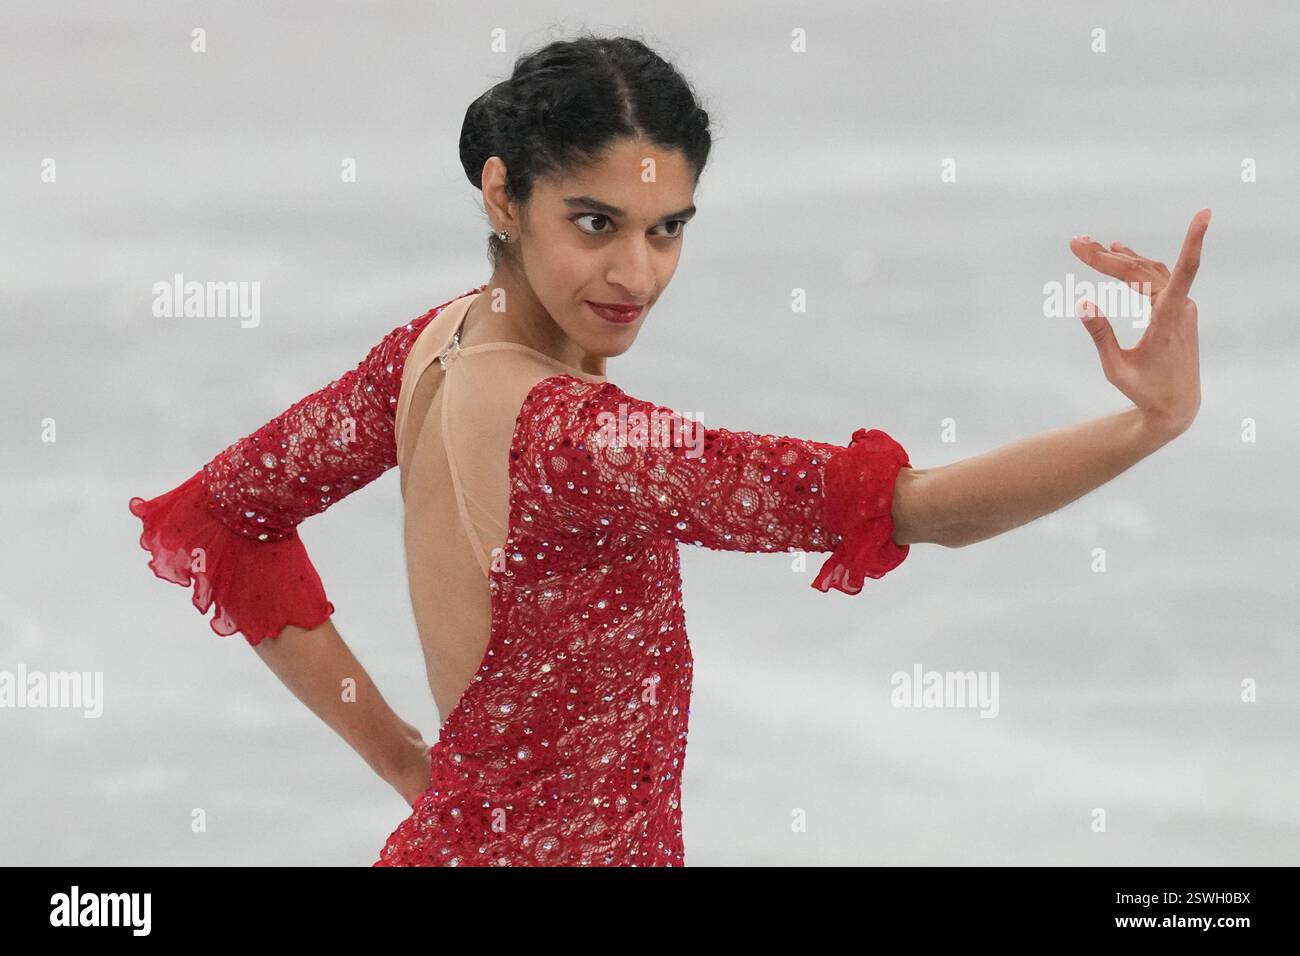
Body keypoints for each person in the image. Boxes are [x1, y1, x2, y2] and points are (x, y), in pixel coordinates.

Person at [127, 34, 1209, 867]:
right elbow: (915, 505)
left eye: (667, 228)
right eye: (593, 223)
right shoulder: (584, 439)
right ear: (503, 194)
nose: (635, 275)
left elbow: (228, 515)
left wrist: (419, 768)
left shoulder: (431, 345)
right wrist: (1148, 422)